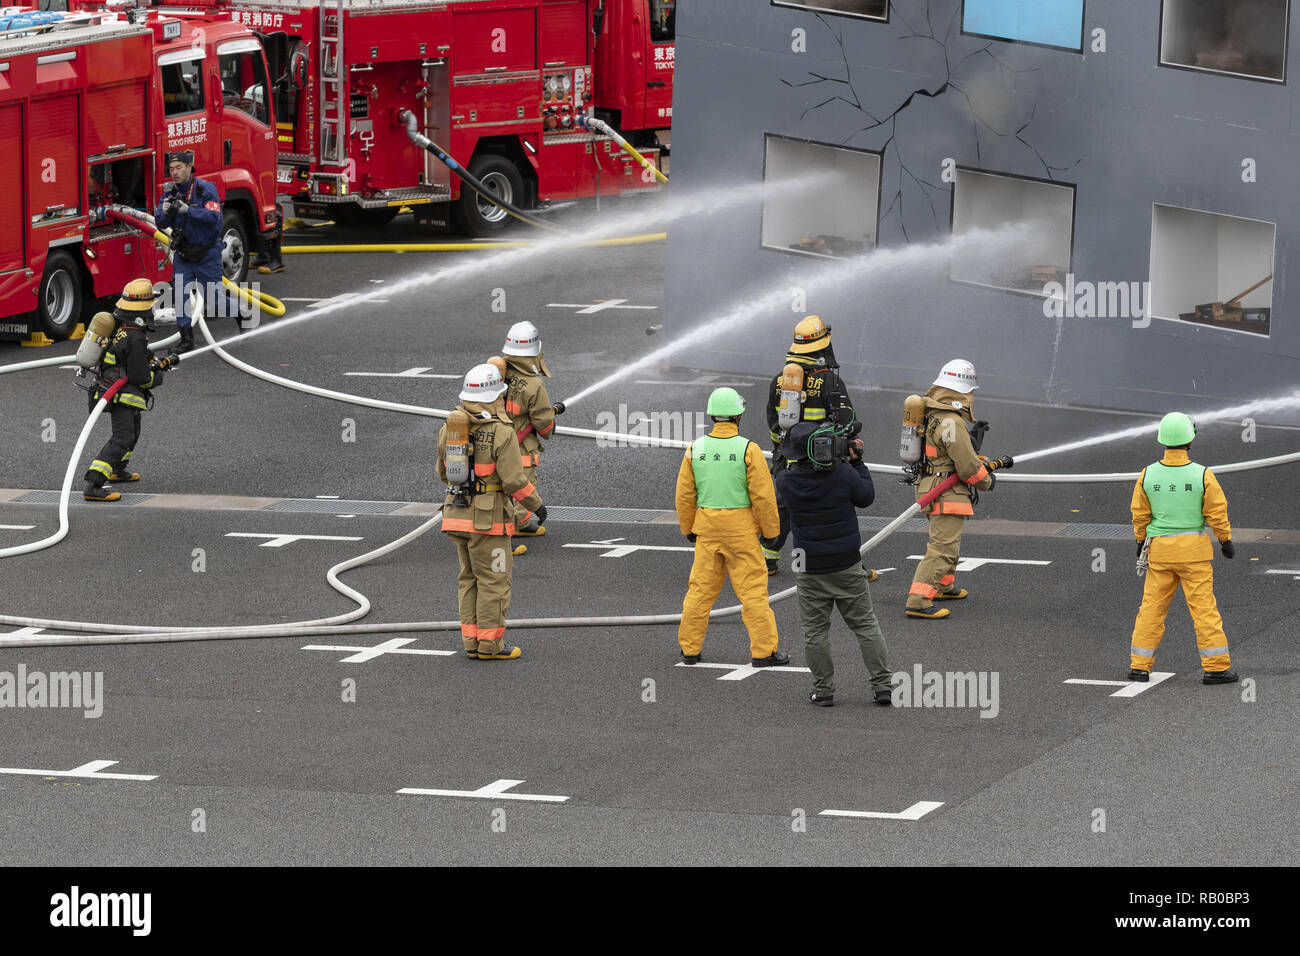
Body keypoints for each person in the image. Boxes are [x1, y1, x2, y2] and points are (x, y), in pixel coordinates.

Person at [775, 422, 892, 707]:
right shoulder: (842, 474)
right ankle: (882, 687)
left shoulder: (786, 481)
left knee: (815, 631)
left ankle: (824, 690)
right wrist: (858, 463)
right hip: (847, 559)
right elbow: (866, 497)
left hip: (806, 562)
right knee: (865, 625)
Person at [436, 363, 545, 661]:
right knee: (494, 582)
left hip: (455, 515)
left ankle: (472, 643)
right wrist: (537, 506)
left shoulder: (450, 427)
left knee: (468, 578)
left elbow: (443, 473)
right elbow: (514, 481)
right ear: (493, 397)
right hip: (489, 523)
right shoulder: (501, 432)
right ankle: (490, 646)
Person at [676, 387, 789, 667]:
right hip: (741, 533)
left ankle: (690, 650)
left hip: (707, 531)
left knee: (700, 591)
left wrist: (688, 527)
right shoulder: (748, 450)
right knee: (753, 593)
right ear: (738, 416)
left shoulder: (695, 448)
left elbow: (684, 495)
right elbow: (763, 496)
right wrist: (771, 532)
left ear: (713, 415)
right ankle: (764, 652)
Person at [1128, 412, 1238, 685]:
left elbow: (1139, 514)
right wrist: (1225, 540)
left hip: (1160, 554)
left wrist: (1140, 540)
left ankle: (1139, 666)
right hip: (1194, 556)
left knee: (1151, 609)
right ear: (1190, 439)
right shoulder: (1202, 475)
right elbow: (1217, 512)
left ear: (1162, 439)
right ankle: (1215, 669)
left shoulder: (1148, 474)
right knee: (1204, 610)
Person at [762, 315, 857, 575]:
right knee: (833, 512)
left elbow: (773, 423)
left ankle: (766, 560)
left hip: (786, 460)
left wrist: (781, 453)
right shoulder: (829, 381)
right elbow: (847, 421)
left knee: (783, 508)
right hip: (822, 459)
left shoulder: (779, 380)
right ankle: (849, 566)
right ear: (821, 346)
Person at [905, 359, 998, 620]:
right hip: (946, 492)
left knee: (950, 541)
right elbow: (968, 468)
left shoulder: (931, 412)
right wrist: (987, 481)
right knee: (942, 546)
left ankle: (944, 586)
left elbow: (946, 453)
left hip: (930, 485)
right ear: (963, 392)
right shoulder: (952, 421)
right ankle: (919, 599)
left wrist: (970, 444)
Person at [82, 279, 171, 501]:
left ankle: (117, 470)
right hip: (122, 394)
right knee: (122, 437)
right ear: (142, 308)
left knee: (133, 432)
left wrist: (159, 362)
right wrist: (157, 376)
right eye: (150, 304)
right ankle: (93, 484)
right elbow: (141, 376)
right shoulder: (135, 336)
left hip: (119, 391)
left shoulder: (126, 328)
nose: (152, 309)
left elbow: (138, 360)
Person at [497, 321, 564, 536]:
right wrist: (548, 429)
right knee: (522, 479)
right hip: (518, 443)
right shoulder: (533, 385)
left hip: (493, 439)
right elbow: (543, 421)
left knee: (495, 480)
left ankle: (501, 521)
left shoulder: (495, 371)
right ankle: (520, 523)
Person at [154, 150, 224, 352]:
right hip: (184, 255)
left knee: (214, 300)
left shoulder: (205, 189)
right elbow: (160, 223)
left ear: (188, 167)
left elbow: (215, 218)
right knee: (179, 295)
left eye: (178, 168)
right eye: (171, 169)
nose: (174, 173)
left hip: (207, 254)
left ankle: (241, 313)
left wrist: (188, 210)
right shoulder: (169, 192)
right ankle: (186, 340)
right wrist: (165, 211)